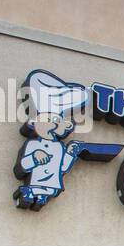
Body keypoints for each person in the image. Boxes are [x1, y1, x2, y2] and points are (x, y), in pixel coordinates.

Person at [13, 69, 90, 210]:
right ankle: (27, 197)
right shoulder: (33, 144)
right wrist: (34, 158)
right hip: (35, 183)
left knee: (42, 196)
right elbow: (22, 166)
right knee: (30, 195)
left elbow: (62, 167)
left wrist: (70, 154)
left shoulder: (59, 147)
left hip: (52, 185)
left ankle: (39, 199)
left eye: (57, 120)